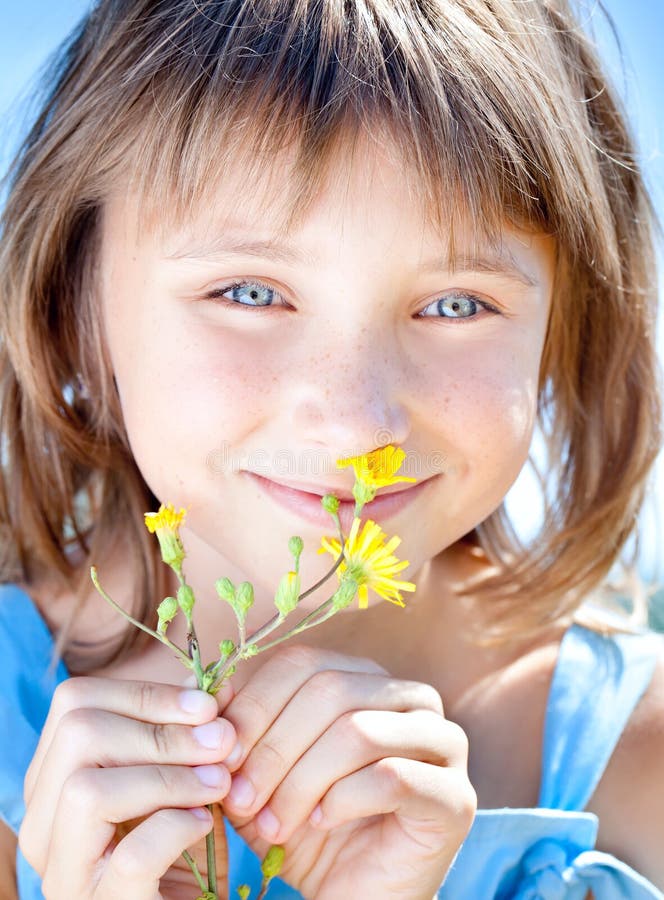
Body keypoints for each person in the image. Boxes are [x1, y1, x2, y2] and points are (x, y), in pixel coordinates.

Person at [0, 0, 663, 897]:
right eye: (249, 291)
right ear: (74, 305)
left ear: (564, 331)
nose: (355, 426)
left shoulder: (640, 765)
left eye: (458, 304)